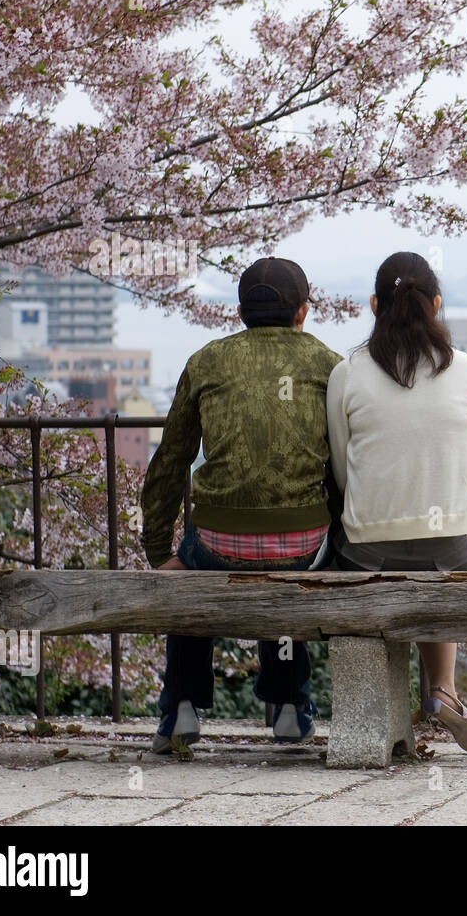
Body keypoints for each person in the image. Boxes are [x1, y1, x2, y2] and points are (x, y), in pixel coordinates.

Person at [140, 257, 343, 754]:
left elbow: (171, 460)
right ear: (304, 312)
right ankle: (290, 705)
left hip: (216, 542)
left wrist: (155, 549)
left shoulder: (207, 361)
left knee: (190, 572)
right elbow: (345, 463)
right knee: (282, 576)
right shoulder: (330, 365)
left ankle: (182, 706)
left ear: (239, 312)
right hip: (305, 543)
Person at [325, 251, 467, 756]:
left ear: (375, 304)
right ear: (437, 305)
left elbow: (341, 467)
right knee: (442, 556)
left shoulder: (348, 373)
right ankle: (442, 690)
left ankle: (378, 708)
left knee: (384, 543)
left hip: (368, 552)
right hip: (451, 550)